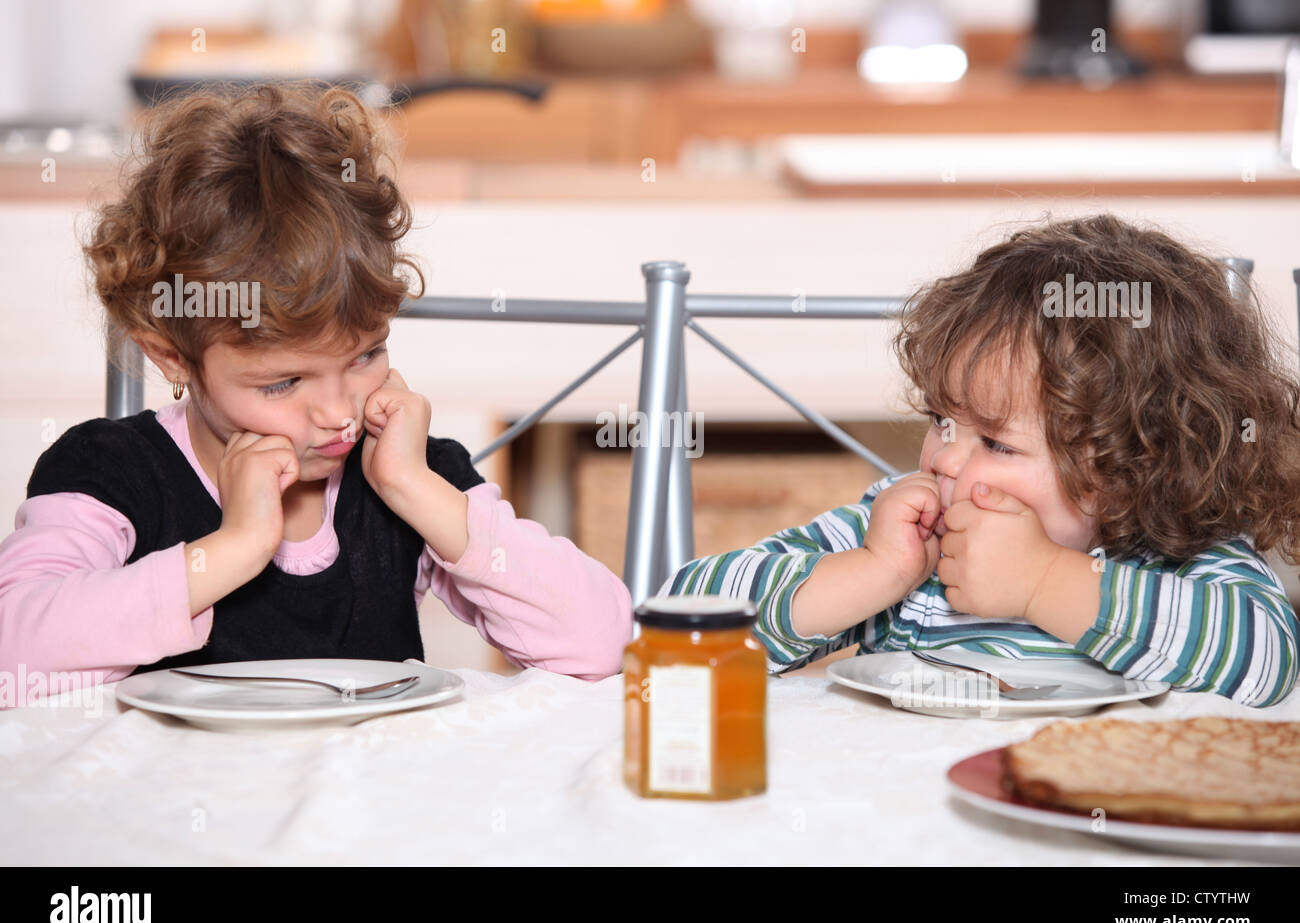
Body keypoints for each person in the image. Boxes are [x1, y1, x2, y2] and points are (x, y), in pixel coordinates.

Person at [0, 82, 632, 705]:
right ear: (170, 354)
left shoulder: (406, 469)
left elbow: (602, 643)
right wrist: (235, 547)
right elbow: (11, 656)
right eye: (282, 382)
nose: (338, 416)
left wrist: (416, 490)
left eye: (366, 356)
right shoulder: (113, 472)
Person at [661, 214, 1300, 707]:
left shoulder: (1182, 556)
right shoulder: (909, 531)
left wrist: (1043, 582)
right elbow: (681, 619)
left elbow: (1269, 663)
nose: (944, 459)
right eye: (942, 421)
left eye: (996, 443)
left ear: (1132, 470)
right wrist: (872, 570)